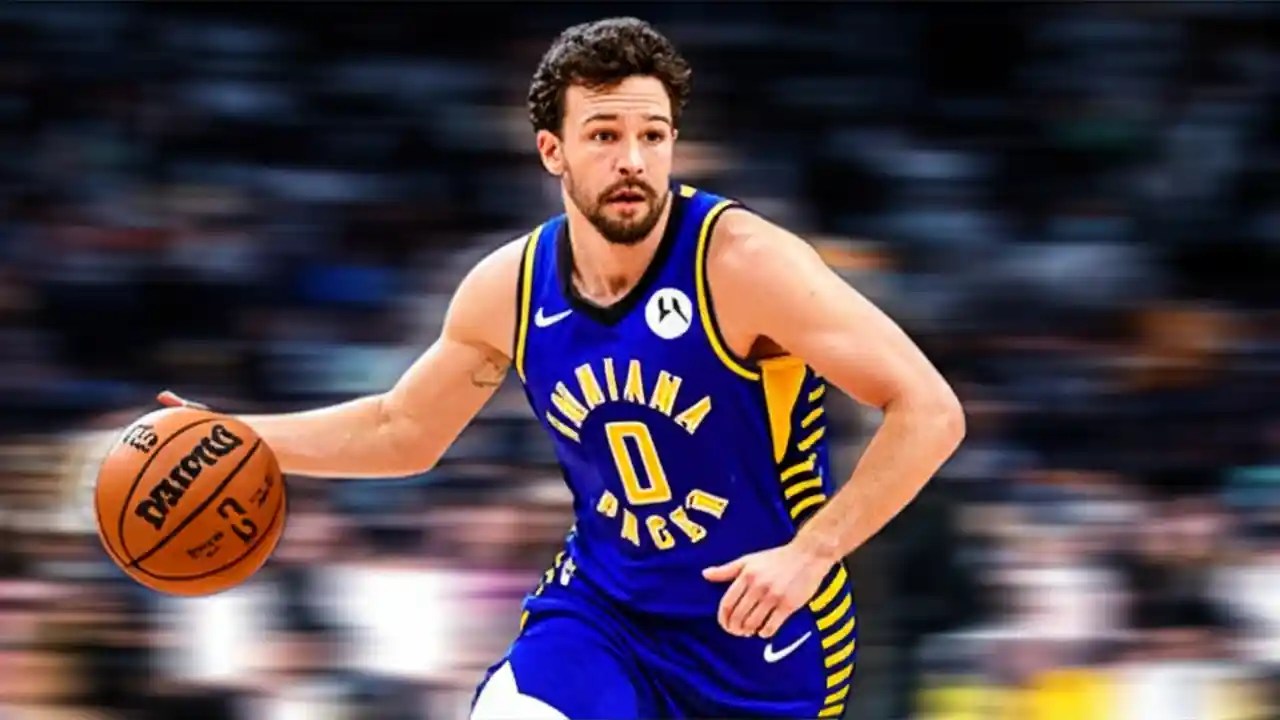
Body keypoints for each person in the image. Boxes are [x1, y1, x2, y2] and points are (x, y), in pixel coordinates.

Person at [160, 17, 966, 720]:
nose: (633, 160)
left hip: (761, 636)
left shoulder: (746, 264)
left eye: (652, 135)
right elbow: (402, 430)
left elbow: (930, 409)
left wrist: (812, 551)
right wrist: (235, 437)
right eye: (604, 134)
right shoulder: (507, 289)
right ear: (553, 150)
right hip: (604, 612)